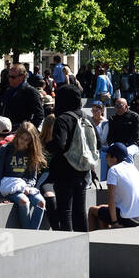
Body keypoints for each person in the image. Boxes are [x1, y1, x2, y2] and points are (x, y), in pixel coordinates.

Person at [43, 84, 91, 232]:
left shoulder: (62, 119)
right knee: (80, 210)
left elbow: (59, 145)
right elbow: (99, 143)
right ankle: (84, 241)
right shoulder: (85, 117)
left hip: (64, 172)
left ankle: (68, 243)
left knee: (65, 211)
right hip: (83, 170)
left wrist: (46, 147)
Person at [0, 120, 47, 230]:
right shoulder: (5, 149)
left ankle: (32, 233)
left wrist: (26, 186)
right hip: (9, 187)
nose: (23, 142)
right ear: (17, 136)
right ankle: (26, 233)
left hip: (25, 187)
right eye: (22, 138)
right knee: (24, 201)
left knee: (41, 202)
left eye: (27, 140)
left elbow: (33, 177)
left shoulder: (31, 151)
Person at [89, 143, 139, 230]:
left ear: (114, 158)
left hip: (129, 218)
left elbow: (111, 198)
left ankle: (92, 241)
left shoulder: (113, 170)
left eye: (107, 155)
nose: (106, 158)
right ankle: (104, 236)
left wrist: (114, 223)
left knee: (92, 210)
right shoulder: (131, 167)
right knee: (101, 211)